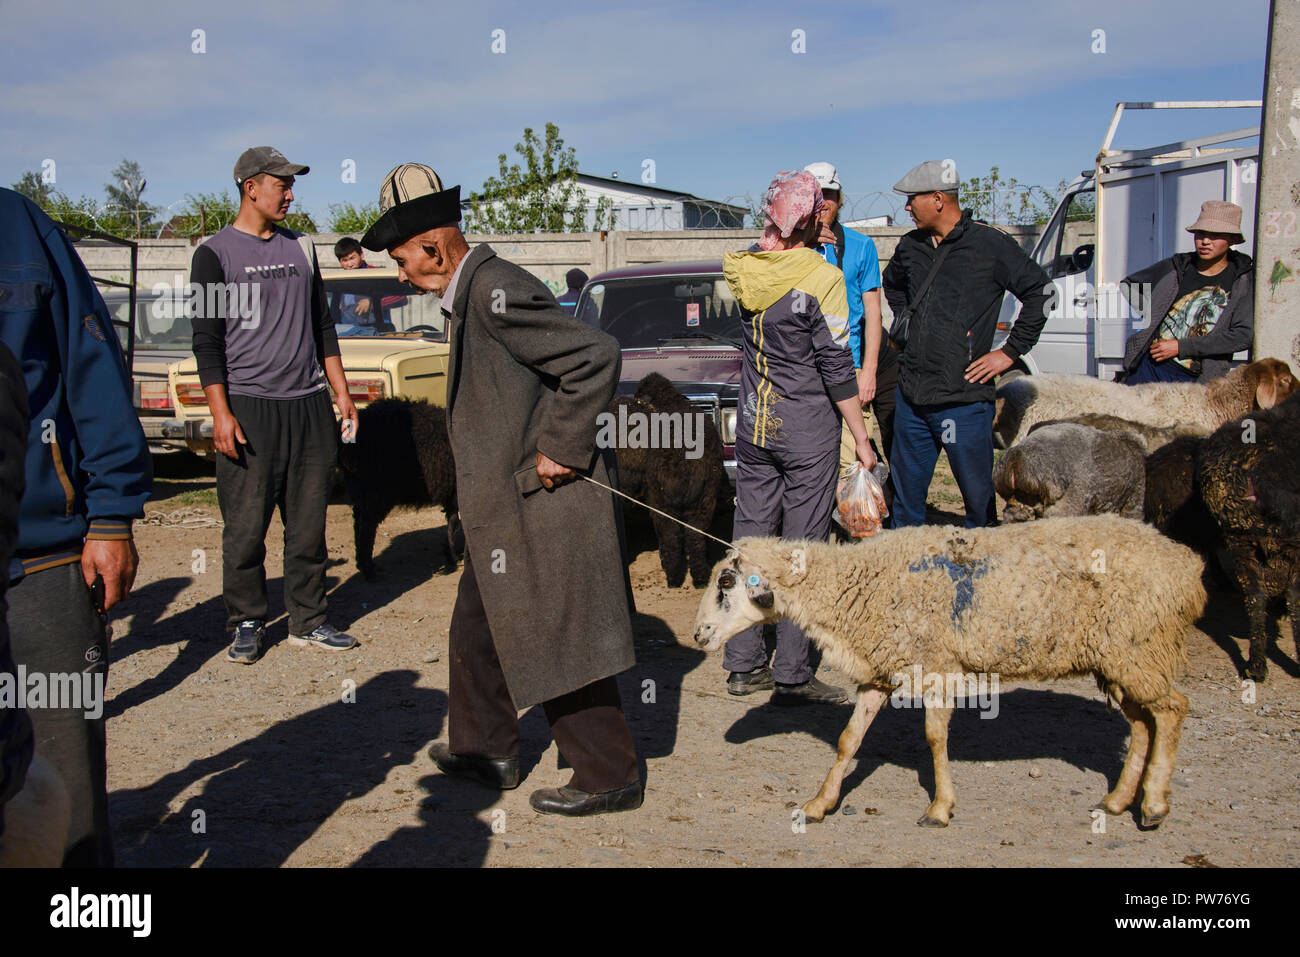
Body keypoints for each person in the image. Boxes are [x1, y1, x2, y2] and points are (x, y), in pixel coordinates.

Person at [360, 163, 642, 816]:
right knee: (477, 627)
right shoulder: (472, 291)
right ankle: (485, 748)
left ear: (433, 245)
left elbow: (594, 355)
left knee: (559, 633)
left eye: (403, 259)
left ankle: (608, 773)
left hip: (541, 500)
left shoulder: (495, 288)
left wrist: (561, 445)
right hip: (500, 511)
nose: (401, 275)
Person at [0, 186, 153, 866]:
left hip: (39, 558)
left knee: (62, 797)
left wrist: (112, 513)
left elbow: (91, 363)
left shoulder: (19, 226)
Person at [190, 147, 359, 665]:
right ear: (250, 188)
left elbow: (322, 326)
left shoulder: (302, 249)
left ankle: (309, 619)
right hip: (249, 407)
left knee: (309, 525)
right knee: (245, 527)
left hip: (308, 406)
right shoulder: (212, 254)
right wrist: (221, 413)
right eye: (280, 184)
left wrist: (342, 392)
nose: (289, 193)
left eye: (292, 185)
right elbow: (206, 341)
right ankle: (246, 619)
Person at [721, 170, 877, 705]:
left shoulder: (744, 266)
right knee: (802, 548)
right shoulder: (822, 278)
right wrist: (860, 436)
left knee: (751, 541)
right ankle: (791, 671)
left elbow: (767, 251)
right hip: (806, 430)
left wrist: (800, 237)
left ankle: (742, 663)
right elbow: (836, 366)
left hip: (755, 426)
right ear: (813, 219)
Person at [882, 160, 1050, 528]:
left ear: (938, 199)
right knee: (906, 506)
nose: (906, 208)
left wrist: (1009, 352)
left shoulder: (989, 245)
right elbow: (892, 283)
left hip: (963, 402)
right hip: (910, 397)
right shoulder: (910, 247)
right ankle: (907, 575)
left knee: (978, 506)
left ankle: (983, 575)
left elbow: (1044, 292)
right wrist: (905, 317)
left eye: (912, 200)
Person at [804, 162, 895, 508]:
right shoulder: (790, 249)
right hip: (805, 374)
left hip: (849, 370)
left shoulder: (861, 246)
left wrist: (869, 370)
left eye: (829, 195)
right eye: (816, 195)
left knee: (854, 463)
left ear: (840, 199)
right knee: (811, 467)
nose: (823, 202)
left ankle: (858, 546)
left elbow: (873, 312)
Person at [1121, 201, 1255, 384]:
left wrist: (1181, 347)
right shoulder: (1178, 266)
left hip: (1194, 380)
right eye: (1201, 233)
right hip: (1148, 369)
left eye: (1215, 235)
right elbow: (1129, 285)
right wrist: (1154, 317)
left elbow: (1242, 336)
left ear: (1231, 239)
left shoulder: (1241, 280)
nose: (1205, 241)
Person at [332, 236, 406, 329]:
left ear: (361, 255)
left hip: (377, 334)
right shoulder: (339, 281)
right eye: (345, 260)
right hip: (348, 334)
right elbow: (334, 311)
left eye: (352, 258)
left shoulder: (376, 275)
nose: (349, 264)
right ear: (340, 262)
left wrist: (372, 303)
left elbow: (401, 297)